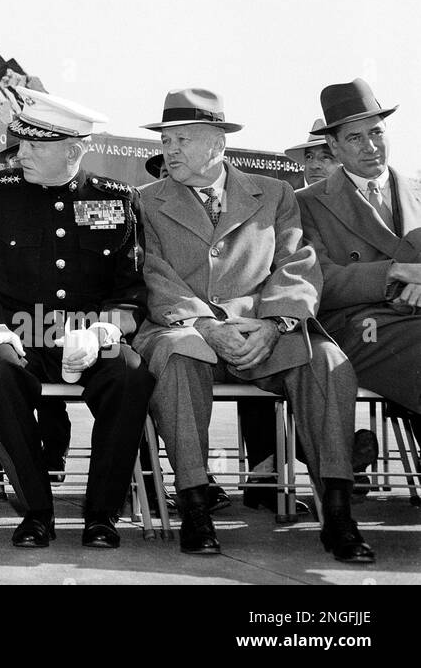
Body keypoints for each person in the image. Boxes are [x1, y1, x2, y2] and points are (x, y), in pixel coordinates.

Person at [135, 88, 372, 562]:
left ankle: (339, 513)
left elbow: (296, 263)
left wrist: (276, 322)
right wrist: (203, 323)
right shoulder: (144, 201)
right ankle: (197, 507)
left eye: (183, 139)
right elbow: (150, 271)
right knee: (180, 358)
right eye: (167, 142)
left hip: (264, 330)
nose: (171, 150)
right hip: (185, 327)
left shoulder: (276, 194)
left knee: (327, 360)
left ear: (218, 145)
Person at [0, 90, 151, 550]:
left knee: (130, 375)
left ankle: (102, 514)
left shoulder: (117, 200)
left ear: (74, 150)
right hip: (20, 332)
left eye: (35, 146)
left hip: (88, 332)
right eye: (21, 144)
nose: (20, 154)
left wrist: (105, 327)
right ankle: (36, 513)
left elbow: (133, 288)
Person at [296, 79, 421, 422]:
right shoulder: (305, 205)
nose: (371, 146)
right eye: (355, 138)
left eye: (377, 132)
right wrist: (396, 272)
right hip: (355, 329)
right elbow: (316, 281)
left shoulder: (417, 193)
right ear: (333, 147)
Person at [285, 120, 335, 189]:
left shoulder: (353, 197)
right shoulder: (293, 199)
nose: (314, 166)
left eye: (325, 157)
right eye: (309, 157)